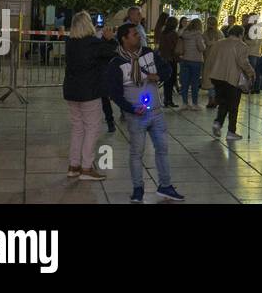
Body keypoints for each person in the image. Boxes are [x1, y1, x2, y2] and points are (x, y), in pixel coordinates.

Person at [106, 23, 183, 202]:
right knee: (136, 153)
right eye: (134, 34)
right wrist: (131, 108)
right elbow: (115, 93)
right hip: (136, 115)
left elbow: (167, 70)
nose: (138, 36)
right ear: (124, 38)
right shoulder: (116, 63)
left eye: (138, 34)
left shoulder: (149, 53)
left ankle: (165, 185)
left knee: (162, 149)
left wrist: (158, 76)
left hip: (156, 112)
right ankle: (138, 188)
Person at [62, 12, 116, 180]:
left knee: (78, 128)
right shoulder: (92, 43)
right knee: (92, 128)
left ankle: (74, 165)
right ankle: (86, 167)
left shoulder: (70, 43)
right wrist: (110, 39)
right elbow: (112, 51)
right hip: (89, 91)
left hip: (71, 91)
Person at [207, 24, 255, 142]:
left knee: (223, 102)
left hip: (217, 76)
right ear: (241, 34)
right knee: (233, 105)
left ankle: (218, 123)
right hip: (232, 77)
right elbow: (242, 62)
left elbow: (211, 59)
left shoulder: (218, 43)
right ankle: (231, 131)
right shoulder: (241, 45)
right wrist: (251, 72)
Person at [177, 18, 206, 109]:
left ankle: (185, 103)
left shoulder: (184, 34)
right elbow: (201, 48)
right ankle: (194, 103)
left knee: (185, 83)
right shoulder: (198, 34)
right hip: (196, 61)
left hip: (185, 60)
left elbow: (179, 34)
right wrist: (204, 44)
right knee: (194, 83)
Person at [157, 16, 179, 108]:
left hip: (164, 58)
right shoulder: (174, 34)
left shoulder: (163, 33)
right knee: (171, 80)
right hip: (171, 59)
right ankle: (169, 100)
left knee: (167, 81)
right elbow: (176, 47)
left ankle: (166, 99)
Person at [200, 18, 222, 109]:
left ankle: (212, 99)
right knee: (215, 80)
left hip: (209, 59)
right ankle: (214, 99)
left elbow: (202, 46)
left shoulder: (204, 34)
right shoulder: (220, 34)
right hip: (217, 60)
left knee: (210, 81)